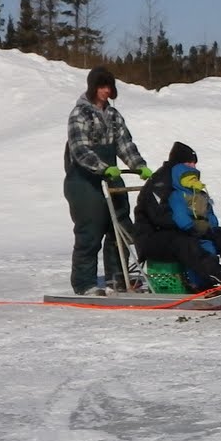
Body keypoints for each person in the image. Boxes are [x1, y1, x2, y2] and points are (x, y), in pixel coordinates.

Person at [64, 66, 152, 295]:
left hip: (111, 178)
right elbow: (79, 149)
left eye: (109, 87)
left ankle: (118, 277)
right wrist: (103, 168)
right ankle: (85, 283)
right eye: (101, 86)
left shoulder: (113, 115)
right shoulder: (80, 114)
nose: (105, 91)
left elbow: (125, 144)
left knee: (121, 227)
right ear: (93, 87)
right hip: (84, 181)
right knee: (90, 231)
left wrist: (139, 166)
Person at [134, 141, 221, 289]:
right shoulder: (159, 183)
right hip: (153, 238)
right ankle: (218, 276)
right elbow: (159, 217)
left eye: (194, 163)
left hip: (185, 232)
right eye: (189, 163)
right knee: (187, 243)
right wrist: (192, 226)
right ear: (178, 163)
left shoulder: (185, 181)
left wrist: (203, 224)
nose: (193, 167)